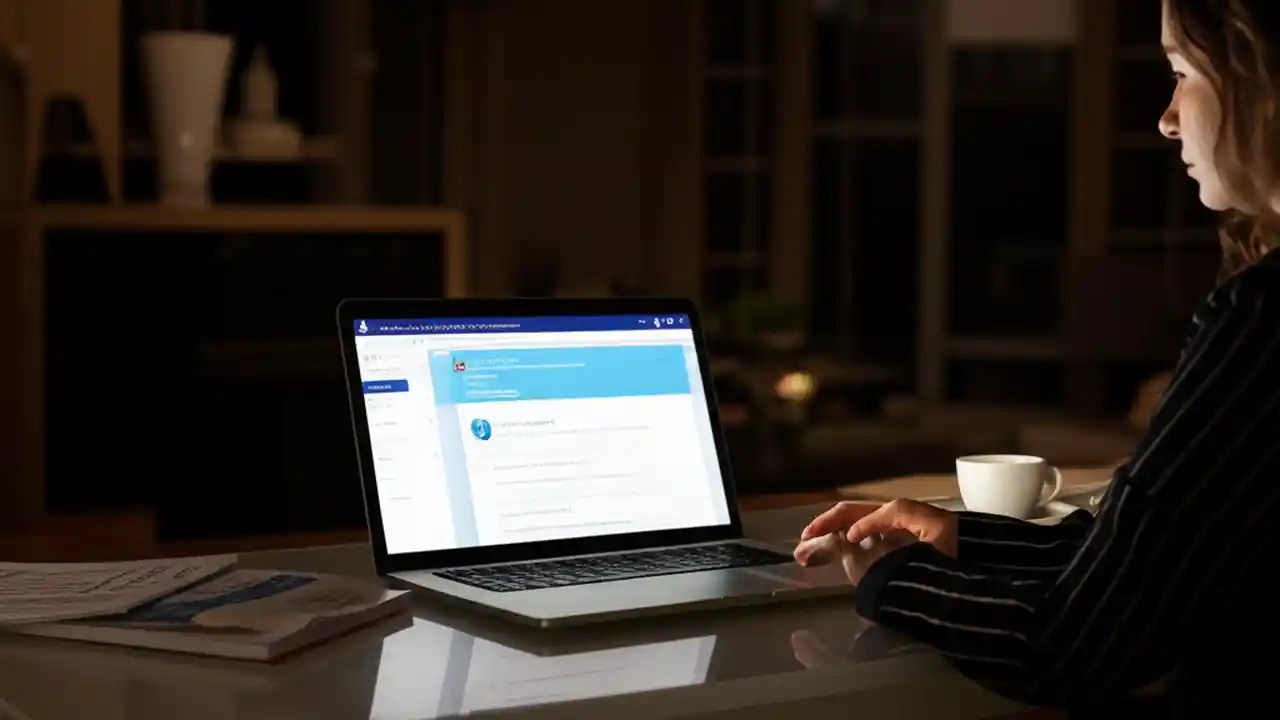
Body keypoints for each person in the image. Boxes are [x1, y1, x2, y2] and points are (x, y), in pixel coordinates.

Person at [793, 0, 1280, 715]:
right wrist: (964, 535)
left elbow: (1072, 642)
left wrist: (896, 578)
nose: (1168, 118)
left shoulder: (1262, 321)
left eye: (1182, 73)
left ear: (1261, 80)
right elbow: (1169, 557)